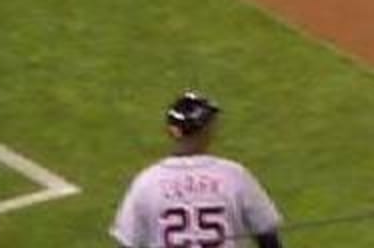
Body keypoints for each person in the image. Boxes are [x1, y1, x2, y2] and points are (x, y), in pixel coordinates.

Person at [108, 92, 285, 248]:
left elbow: (128, 242)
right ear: (207, 130)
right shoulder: (234, 176)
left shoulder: (147, 182)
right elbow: (267, 235)